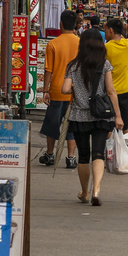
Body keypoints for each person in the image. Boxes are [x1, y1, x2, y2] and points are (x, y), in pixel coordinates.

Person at [63, 30, 123, 206]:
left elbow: (65, 89)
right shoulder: (104, 64)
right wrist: (118, 116)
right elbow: (111, 91)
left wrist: (76, 89)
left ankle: (85, 192)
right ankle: (97, 189)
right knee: (98, 153)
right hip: (100, 115)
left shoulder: (73, 65)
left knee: (83, 156)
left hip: (79, 115)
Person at [40, 10, 80, 168]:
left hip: (56, 91)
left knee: (52, 124)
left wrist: (45, 91)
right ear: (75, 25)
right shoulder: (80, 42)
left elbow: (48, 69)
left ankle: (50, 155)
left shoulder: (53, 44)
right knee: (71, 125)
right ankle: (70, 157)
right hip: (74, 92)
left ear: (60, 24)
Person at [104, 18, 128, 134]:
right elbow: (123, 38)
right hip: (126, 90)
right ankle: (123, 151)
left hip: (110, 91)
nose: (105, 33)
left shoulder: (106, 47)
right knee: (124, 126)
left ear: (111, 30)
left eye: (106, 30)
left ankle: (108, 151)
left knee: (109, 125)